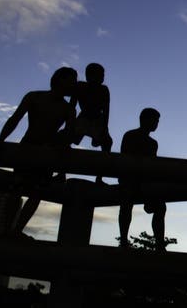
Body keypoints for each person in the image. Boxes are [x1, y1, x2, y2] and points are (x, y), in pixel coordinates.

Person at [0, 67, 78, 238]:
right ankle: (8, 230)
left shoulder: (68, 109)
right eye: (72, 80)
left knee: (36, 193)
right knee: (17, 189)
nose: (74, 84)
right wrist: (0, 140)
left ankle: (16, 230)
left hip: (47, 152)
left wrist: (62, 164)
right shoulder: (35, 97)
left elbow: (68, 135)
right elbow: (15, 119)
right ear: (60, 79)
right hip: (29, 147)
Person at [118, 108, 167, 250]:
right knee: (126, 204)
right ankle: (123, 240)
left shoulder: (153, 143)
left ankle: (159, 244)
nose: (157, 123)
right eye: (155, 120)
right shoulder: (130, 136)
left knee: (161, 206)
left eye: (158, 121)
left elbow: (153, 165)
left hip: (146, 182)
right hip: (130, 180)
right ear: (144, 119)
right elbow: (124, 159)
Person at [71, 62, 113, 183]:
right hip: (83, 117)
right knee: (65, 138)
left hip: (97, 120)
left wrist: (104, 129)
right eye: (100, 74)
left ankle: (99, 177)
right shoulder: (80, 86)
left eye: (103, 75)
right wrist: (69, 125)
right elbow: (71, 107)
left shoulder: (104, 90)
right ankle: (61, 172)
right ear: (89, 75)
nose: (103, 77)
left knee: (107, 142)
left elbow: (106, 112)